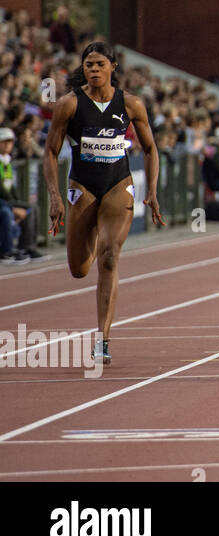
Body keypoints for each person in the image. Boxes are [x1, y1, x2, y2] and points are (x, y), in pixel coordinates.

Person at [42, 42, 165, 364]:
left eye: (99, 64)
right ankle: (92, 232)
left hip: (118, 185)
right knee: (80, 270)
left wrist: (152, 191)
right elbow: (51, 153)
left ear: (113, 67)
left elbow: (151, 149)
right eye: (88, 65)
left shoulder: (132, 104)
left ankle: (103, 340)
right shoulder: (69, 105)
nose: (93, 70)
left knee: (109, 258)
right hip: (82, 187)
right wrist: (55, 198)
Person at [0, 126, 44, 262]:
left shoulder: (7, 161)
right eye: (4, 142)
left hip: (6, 201)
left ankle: (26, 247)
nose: (8, 145)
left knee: (32, 209)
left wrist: (16, 203)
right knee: (7, 213)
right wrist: (13, 207)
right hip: (2, 203)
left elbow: (10, 187)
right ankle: (6, 251)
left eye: (10, 142)